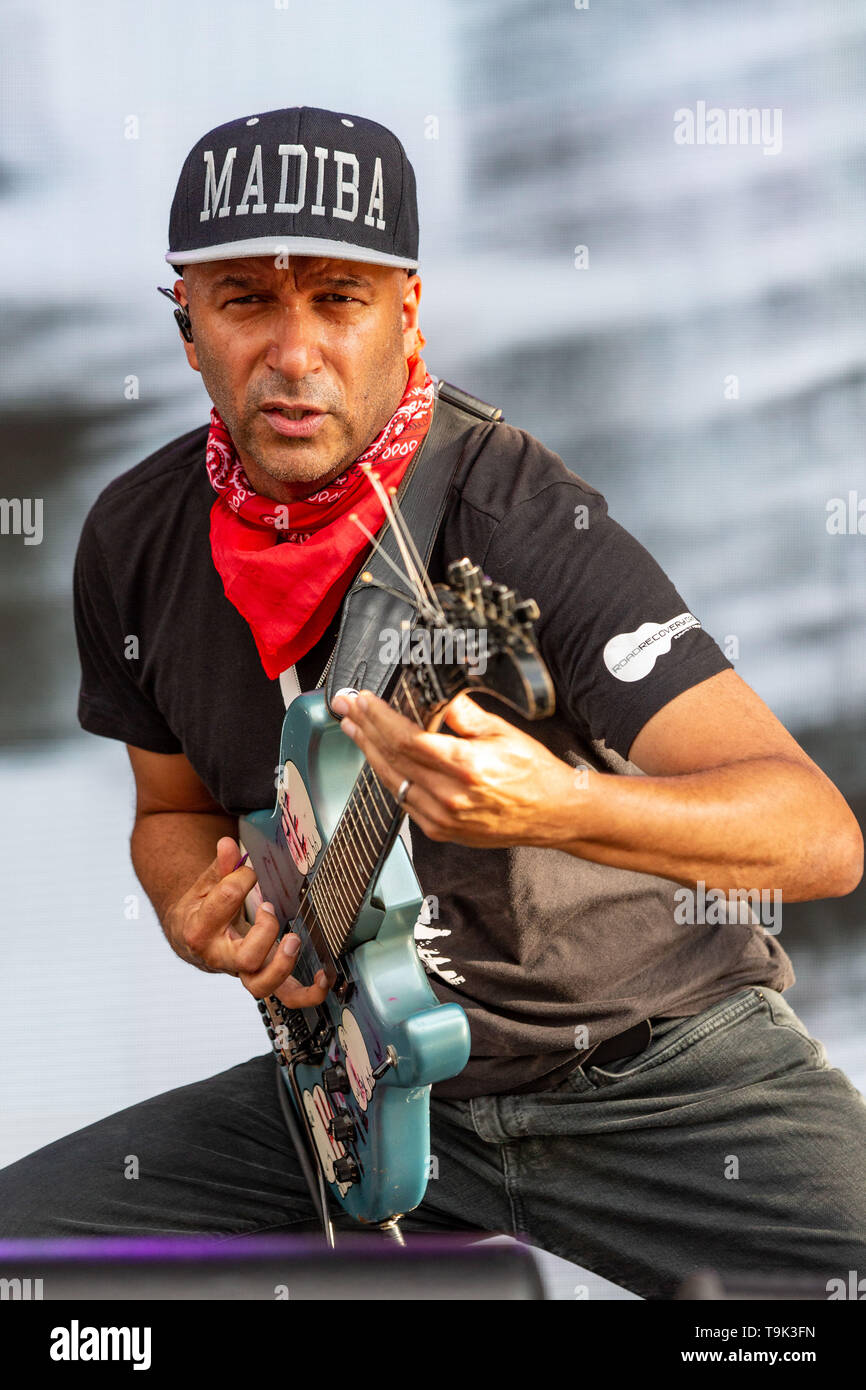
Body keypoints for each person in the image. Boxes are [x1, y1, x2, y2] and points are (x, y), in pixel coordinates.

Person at [0, 105, 863, 1300]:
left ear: (406, 316)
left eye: (338, 300)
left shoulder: (516, 520)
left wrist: (553, 805)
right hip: (358, 1093)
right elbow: (168, 815)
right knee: (29, 1263)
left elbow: (812, 835)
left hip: (658, 1071)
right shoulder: (135, 539)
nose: (293, 352)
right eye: (246, 299)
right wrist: (192, 910)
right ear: (186, 324)